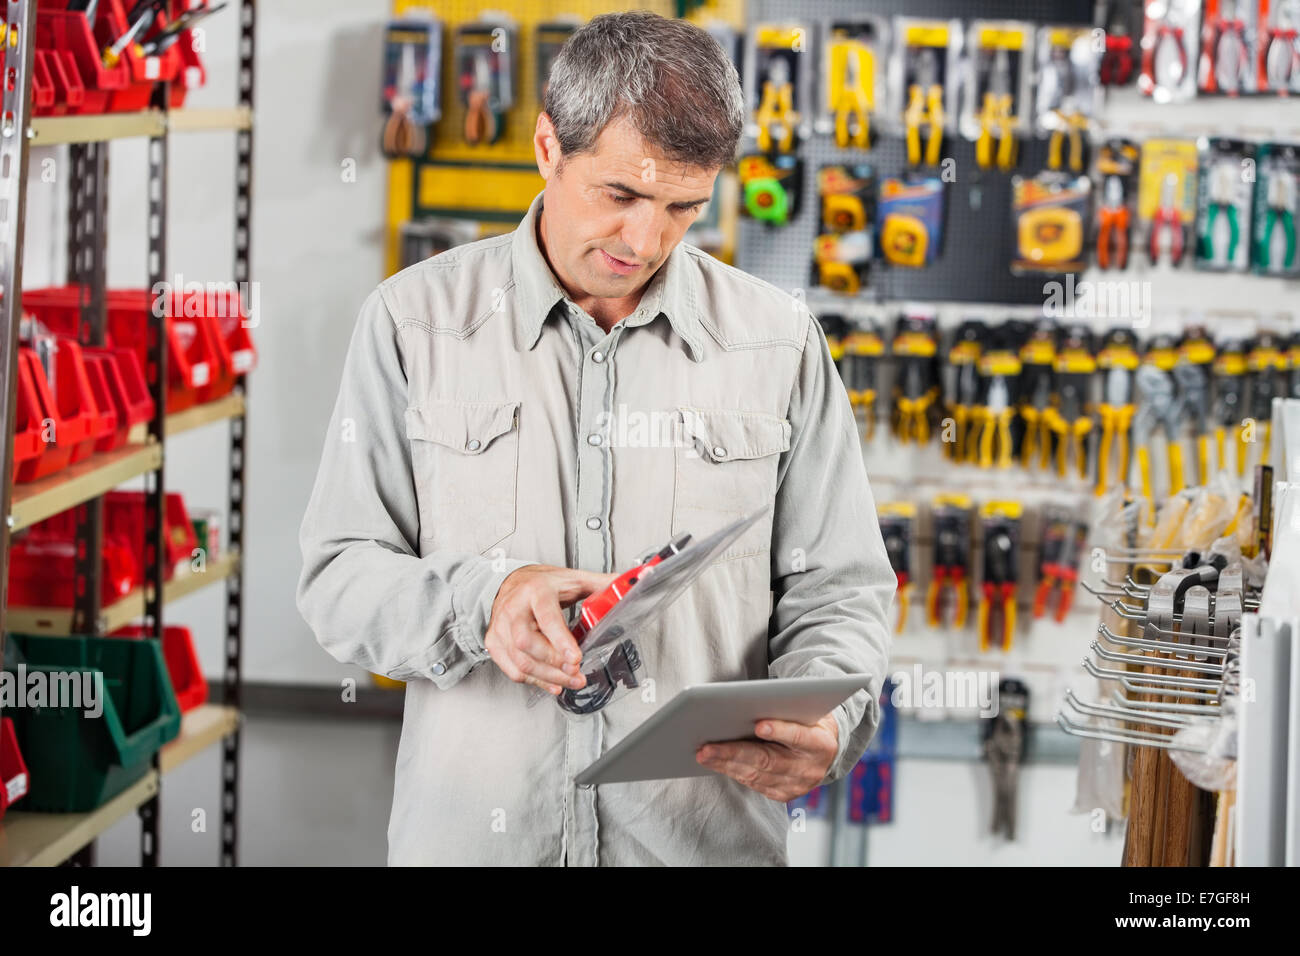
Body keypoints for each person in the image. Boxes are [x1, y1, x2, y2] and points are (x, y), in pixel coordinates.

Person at [297, 10, 895, 866]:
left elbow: (841, 586)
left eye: (683, 207)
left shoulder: (780, 343)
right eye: (621, 196)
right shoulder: (413, 323)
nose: (646, 241)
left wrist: (829, 718)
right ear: (548, 149)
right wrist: (484, 603)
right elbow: (338, 579)